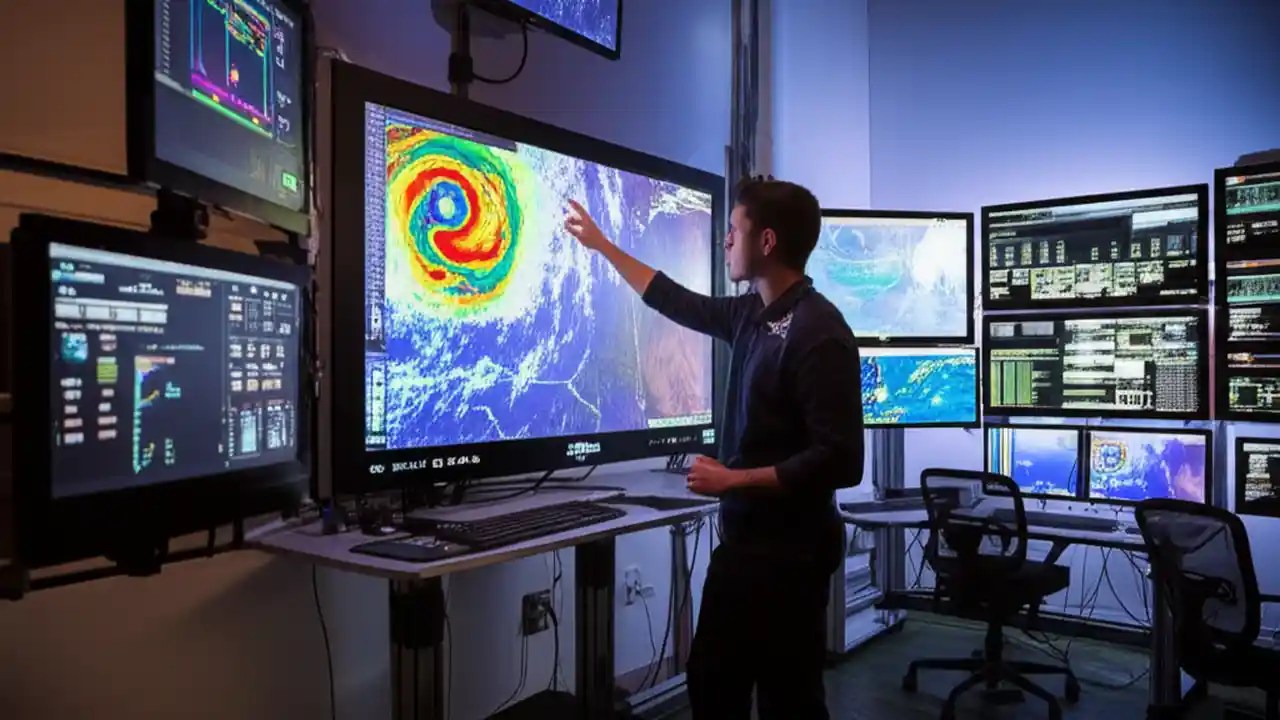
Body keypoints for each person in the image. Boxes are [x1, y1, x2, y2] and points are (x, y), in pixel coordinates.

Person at [564, 177, 864, 719]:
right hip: (746, 547)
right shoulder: (754, 314)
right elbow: (674, 300)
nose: (725, 241)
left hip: (792, 555)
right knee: (713, 686)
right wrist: (603, 246)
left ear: (766, 242)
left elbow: (841, 460)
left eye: (733, 230)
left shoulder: (821, 334)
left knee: (789, 700)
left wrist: (734, 480)